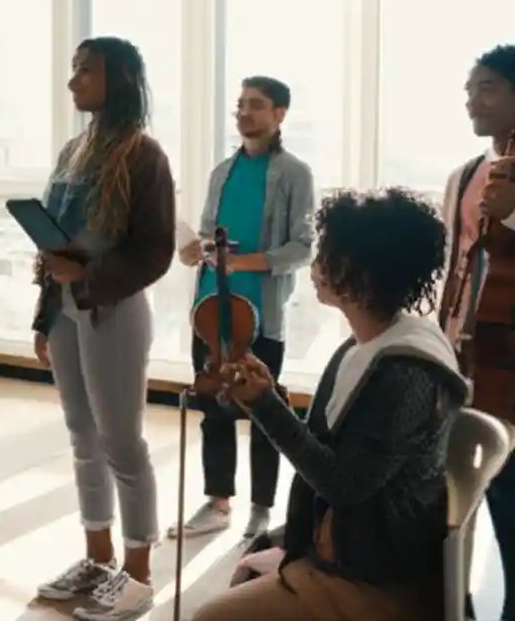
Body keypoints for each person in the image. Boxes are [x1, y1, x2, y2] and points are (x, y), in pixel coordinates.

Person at [194, 188, 466, 621]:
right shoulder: (369, 344)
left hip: (378, 572)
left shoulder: (405, 372)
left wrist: (266, 406)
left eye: (329, 255)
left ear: (365, 273)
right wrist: (269, 398)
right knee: (248, 567)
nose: (316, 267)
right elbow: (336, 446)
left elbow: (343, 483)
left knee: (209, 617)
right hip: (349, 544)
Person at [30, 37, 176, 621]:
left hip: (112, 309)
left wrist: (85, 274)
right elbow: (54, 242)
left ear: (117, 77)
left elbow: (155, 252)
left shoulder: (145, 156)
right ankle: (97, 557)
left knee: (120, 440)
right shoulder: (72, 151)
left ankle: (138, 573)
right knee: (80, 437)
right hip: (65, 308)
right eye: (72, 70)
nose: (73, 82)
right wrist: (46, 311)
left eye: (85, 71)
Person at [170, 76, 315, 541]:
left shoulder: (294, 173)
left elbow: (303, 247)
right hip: (211, 308)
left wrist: (244, 261)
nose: (244, 112)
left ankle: (262, 508)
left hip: (261, 313)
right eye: (240, 105)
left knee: (264, 411)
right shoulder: (221, 172)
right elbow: (210, 235)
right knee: (214, 405)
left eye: (256, 105)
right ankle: (218, 502)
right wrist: (194, 251)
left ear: (279, 114)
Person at [438, 43, 515, 620]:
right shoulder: (464, 174)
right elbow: (454, 264)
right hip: (461, 358)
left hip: (510, 366)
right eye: (469, 87)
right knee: (453, 505)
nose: (471, 98)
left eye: (486, 86)